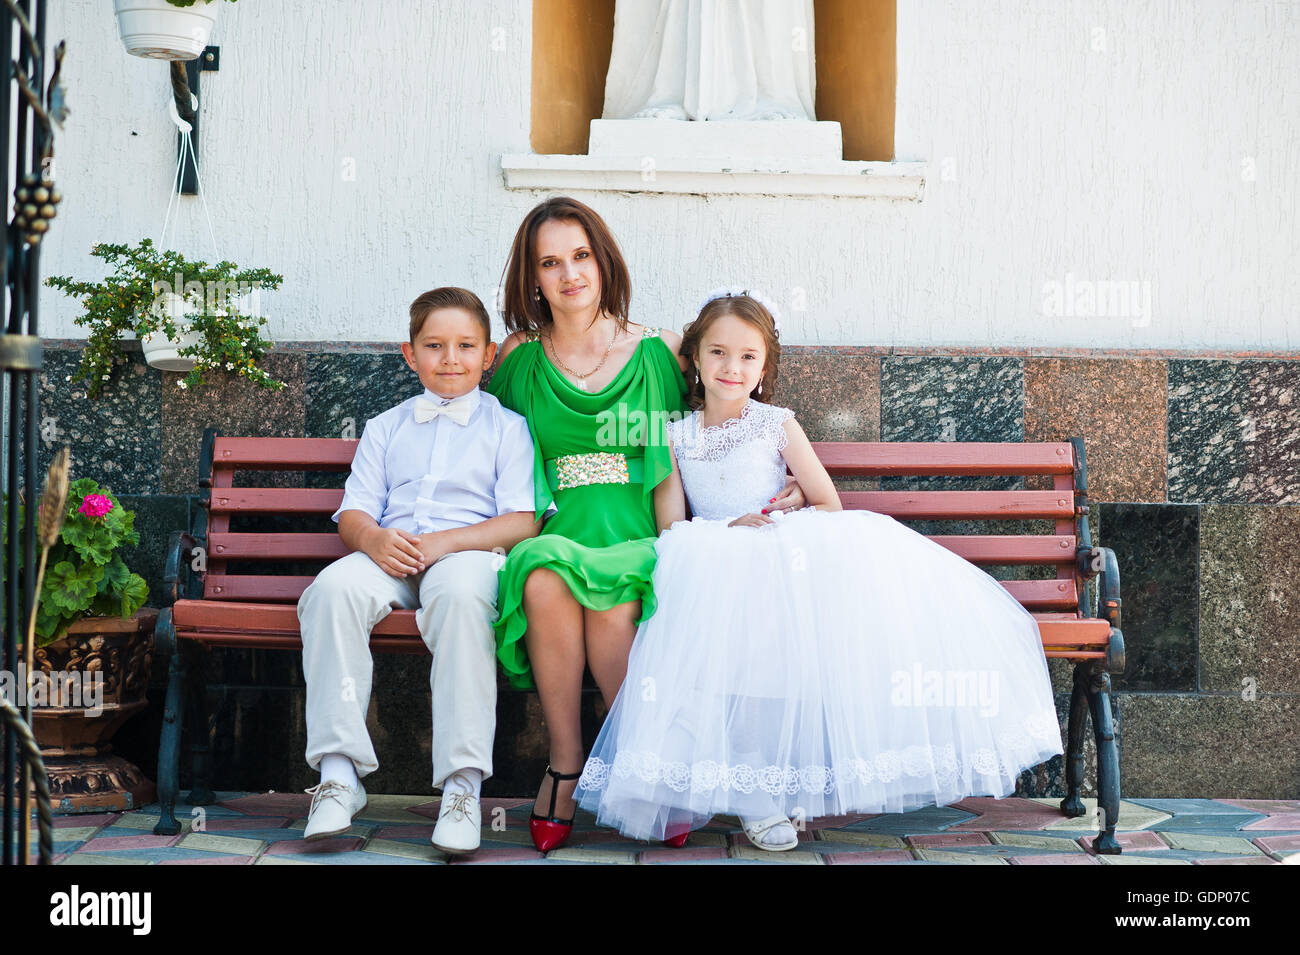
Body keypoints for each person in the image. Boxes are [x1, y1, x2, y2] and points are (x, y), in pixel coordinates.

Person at [576, 289, 1064, 850]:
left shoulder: (775, 423)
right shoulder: (675, 434)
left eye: (747, 357)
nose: (731, 367)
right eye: (717, 353)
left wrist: (790, 504)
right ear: (694, 360)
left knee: (775, 660)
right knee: (711, 653)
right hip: (708, 557)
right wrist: (723, 532)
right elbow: (670, 527)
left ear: (764, 368)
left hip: (782, 556)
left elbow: (827, 502)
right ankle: (740, 789)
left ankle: (771, 788)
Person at [487, 198, 809, 852]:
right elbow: (490, 453)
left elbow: (721, 418)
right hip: (554, 524)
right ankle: (566, 761)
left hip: (640, 527)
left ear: (604, 261)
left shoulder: (659, 352)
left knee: (612, 597)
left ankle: (651, 760)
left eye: (580, 255)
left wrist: (785, 481)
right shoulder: (519, 359)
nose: (569, 273)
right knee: (543, 573)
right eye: (550, 262)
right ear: (533, 277)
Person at [298, 287, 538, 855]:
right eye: (434, 345)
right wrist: (373, 538)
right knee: (331, 590)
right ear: (410, 354)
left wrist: (444, 545)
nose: (449, 358)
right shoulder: (387, 426)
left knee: (460, 600)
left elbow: (522, 521)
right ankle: (338, 774)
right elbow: (353, 512)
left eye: (465, 345)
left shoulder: (507, 428)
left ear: (489, 356)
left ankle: (462, 786)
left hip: (467, 556)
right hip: (392, 554)